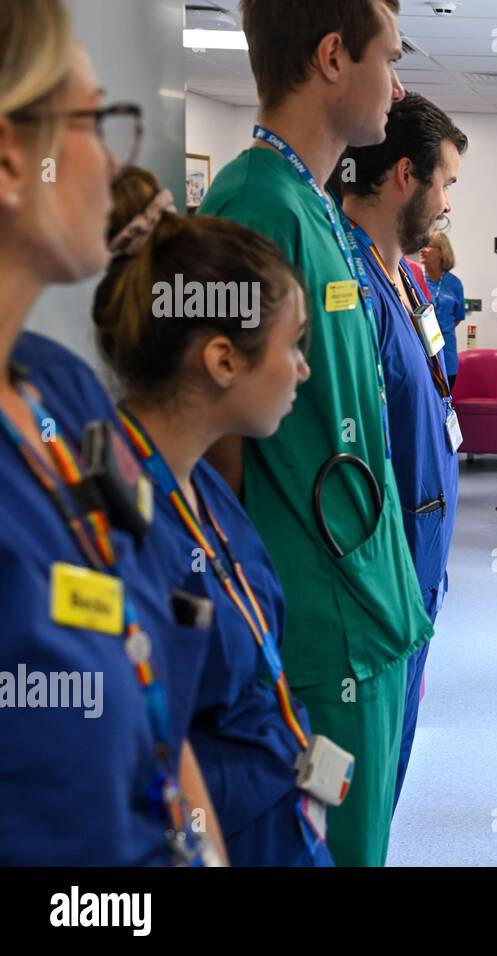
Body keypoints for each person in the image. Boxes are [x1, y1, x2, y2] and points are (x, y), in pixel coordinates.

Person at [198, 0, 424, 867]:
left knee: (358, 836)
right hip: (317, 623)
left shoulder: (315, 204)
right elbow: (217, 442)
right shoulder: (257, 205)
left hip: (365, 601)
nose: (397, 83)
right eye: (389, 57)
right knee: (327, 847)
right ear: (334, 56)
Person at [0, 0, 224, 865]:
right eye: (97, 121)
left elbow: (148, 666)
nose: (122, 158)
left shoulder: (61, 392)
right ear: (14, 160)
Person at [90, 167, 331, 866]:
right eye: (294, 344)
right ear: (224, 359)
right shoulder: (116, 528)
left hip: (276, 814)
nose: (303, 370)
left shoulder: (204, 487)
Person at [336, 91, 466, 813]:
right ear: (405, 177)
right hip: (385, 575)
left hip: (422, 557)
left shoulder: (407, 277)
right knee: (364, 775)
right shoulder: (350, 287)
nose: (446, 204)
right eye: (444, 183)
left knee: (395, 754)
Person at [417, 231, 465, 391]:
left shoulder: (455, 284)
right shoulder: (414, 278)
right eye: (422, 245)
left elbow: (456, 318)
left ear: (442, 253)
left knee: (444, 403)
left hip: (447, 353)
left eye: (429, 246)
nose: (422, 249)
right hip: (419, 352)